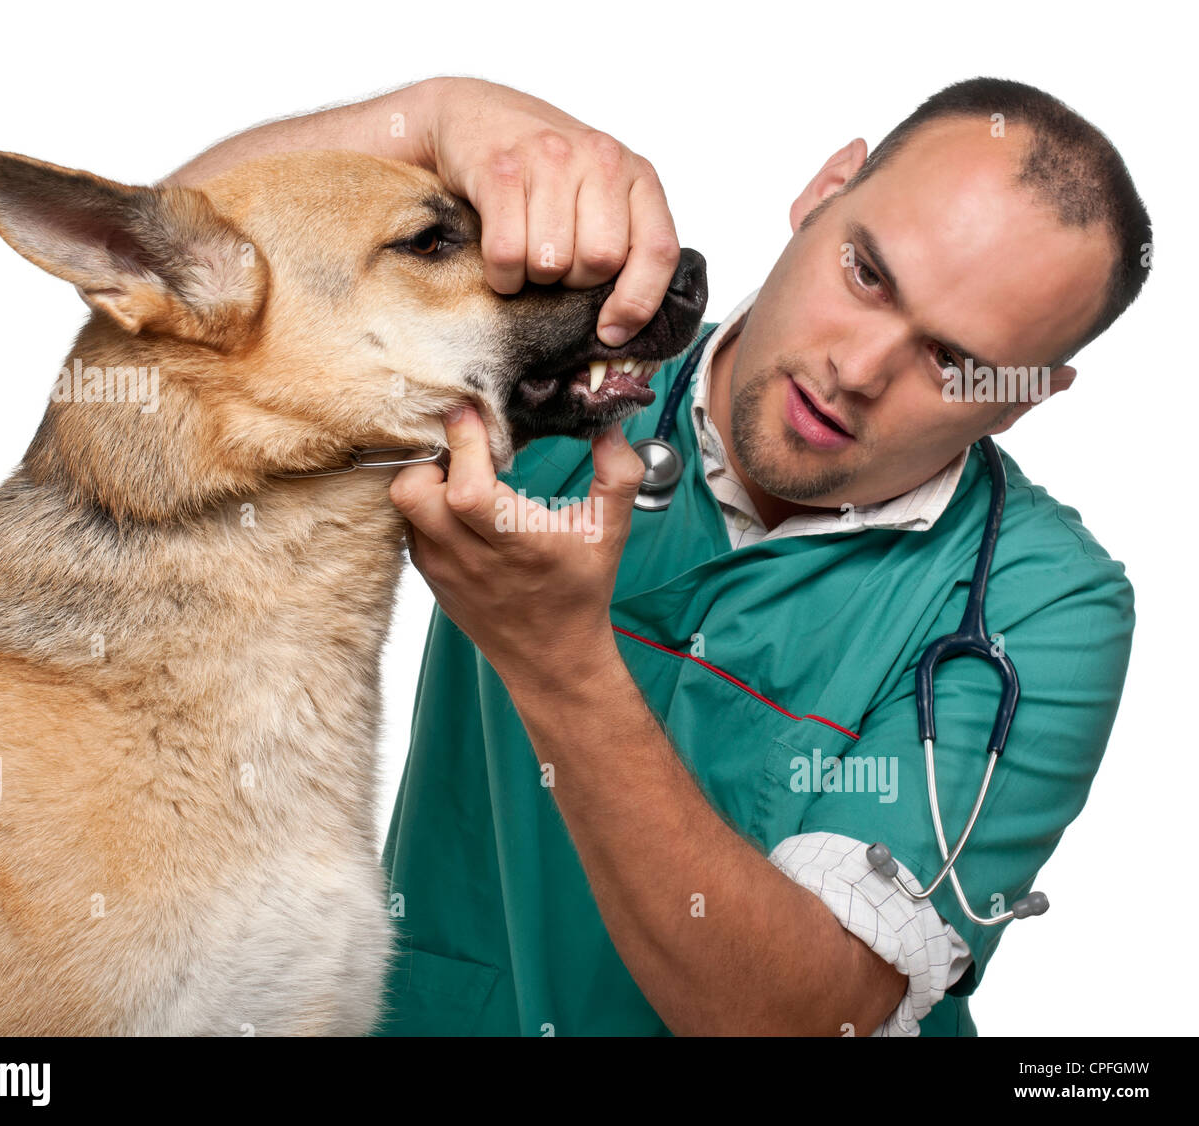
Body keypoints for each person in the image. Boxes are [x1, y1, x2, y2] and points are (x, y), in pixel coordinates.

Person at [170, 75, 1150, 1035]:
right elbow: (179, 291)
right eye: (866, 273)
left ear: (1026, 395)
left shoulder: (1041, 606)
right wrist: (429, 117)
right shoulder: (562, 360)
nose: (856, 370)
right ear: (824, 190)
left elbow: (810, 1022)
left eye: (955, 362)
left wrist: (561, 665)